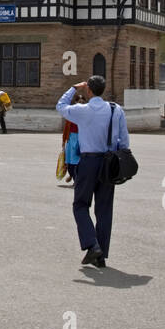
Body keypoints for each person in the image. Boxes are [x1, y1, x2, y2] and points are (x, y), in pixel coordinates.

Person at [56, 76, 129, 269]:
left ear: (88, 90)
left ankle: (92, 244)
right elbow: (124, 140)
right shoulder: (115, 109)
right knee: (104, 209)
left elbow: (61, 106)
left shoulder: (82, 110)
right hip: (109, 161)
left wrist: (73, 88)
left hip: (88, 161)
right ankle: (101, 255)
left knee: (80, 204)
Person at [60, 91, 84, 186]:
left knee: (78, 160)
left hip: (81, 139)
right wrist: (64, 140)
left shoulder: (86, 114)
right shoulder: (71, 113)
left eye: (83, 102)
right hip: (71, 138)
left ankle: (76, 180)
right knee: (69, 160)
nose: (81, 104)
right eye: (79, 101)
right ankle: (73, 176)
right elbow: (66, 128)